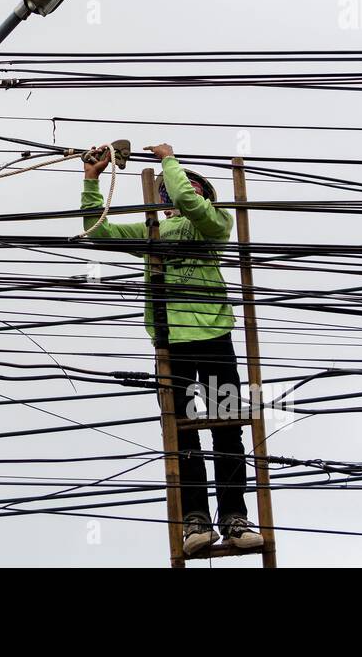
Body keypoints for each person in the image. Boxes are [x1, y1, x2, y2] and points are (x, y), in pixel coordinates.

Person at [81, 142, 263, 555]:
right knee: (182, 436)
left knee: (228, 428)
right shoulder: (154, 232)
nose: (174, 196)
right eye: (164, 195)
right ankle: (195, 520)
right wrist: (91, 180)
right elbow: (99, 230)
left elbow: (187, 198)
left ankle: (234, 517)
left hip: (216, 336)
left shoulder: (214, 222)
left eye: (184, 188)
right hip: (170, 341)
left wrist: (168, 160)